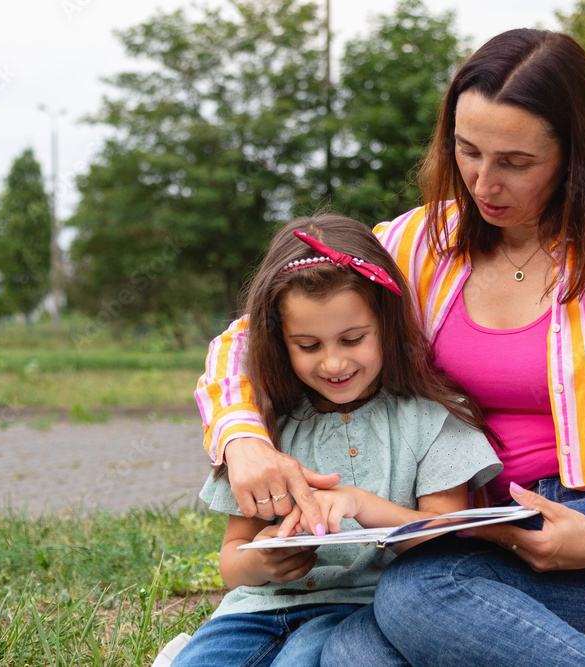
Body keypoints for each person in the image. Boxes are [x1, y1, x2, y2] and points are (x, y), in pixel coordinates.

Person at [196, 28, 585, 666]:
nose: (483, 183)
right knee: (354, 653)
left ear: (577, 157)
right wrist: (242, 438)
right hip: (469, 549)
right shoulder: (418, 245)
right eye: (467, 152)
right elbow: (252, 338)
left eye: (515, 162)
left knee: (416, 594)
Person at [174, 214, 502, 667]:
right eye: (308, 346)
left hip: (359, 609)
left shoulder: (429, 421)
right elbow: (231, 562)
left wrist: (359, 504)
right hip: (256, 610)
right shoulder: (267, 430)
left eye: (352, 339)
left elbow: (447, 542)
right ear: (280, 342)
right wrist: (263, 562)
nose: (332, 363)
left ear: (386, 324)